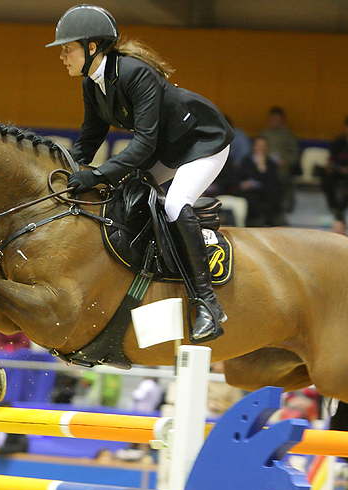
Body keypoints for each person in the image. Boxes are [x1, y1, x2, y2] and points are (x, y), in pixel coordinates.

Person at [48, 4, 233, 341]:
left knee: (175, 204)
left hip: (202, 142)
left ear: (92, 47)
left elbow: (144, 145)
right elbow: (90, 136)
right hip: (168, 148)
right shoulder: (93, 82)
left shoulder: (135, 73)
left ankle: (208, 304)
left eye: (67, 48)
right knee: (126, 200)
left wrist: (97, 175)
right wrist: (65, 170)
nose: (62, 56)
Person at [259, 106, 300, 212]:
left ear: (282, 120)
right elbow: (257, 151)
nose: (274, 122)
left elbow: (294, 154)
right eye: (272, 119)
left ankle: (281, 208)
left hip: (281, 167)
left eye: (277, 119)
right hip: (264, 165)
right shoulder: (264, 134)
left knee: (281, 178)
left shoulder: (288, 135)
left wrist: (285, 161)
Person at [238, 136, 284, 226]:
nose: (260, 149)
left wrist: (262, 169)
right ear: (253, 147)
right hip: (248, 193)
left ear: (267, 148)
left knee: (272, 196)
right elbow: (240, 178)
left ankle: (266, 222)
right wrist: (244, 184)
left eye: (263, 146)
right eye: (258, 146)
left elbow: (273, 183)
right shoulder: (246, 160)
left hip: (265, 193)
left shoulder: (271, 163)